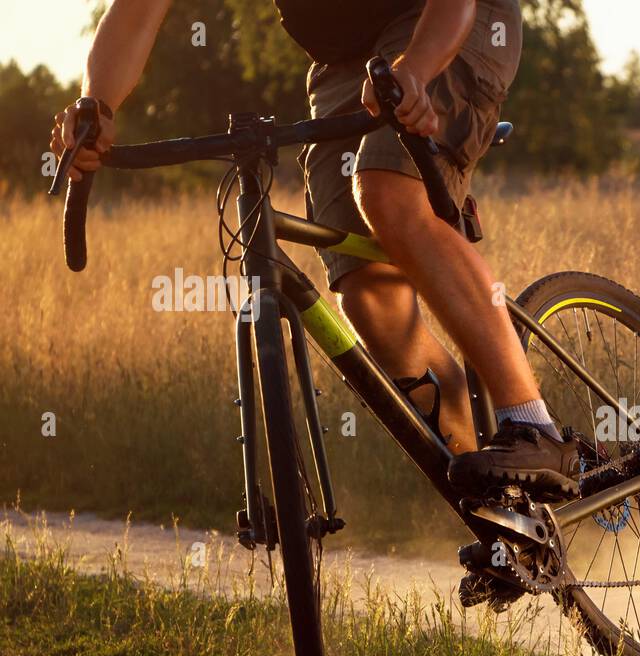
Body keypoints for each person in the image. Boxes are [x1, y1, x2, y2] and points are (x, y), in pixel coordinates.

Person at [51, 0, 582, 499]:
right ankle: (502, 507)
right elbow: (136, 14)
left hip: (447, 20)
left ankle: (534, 429)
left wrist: (418, 68)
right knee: (365, 293)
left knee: (385, 193)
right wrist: (96, 102)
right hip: (344, 61)